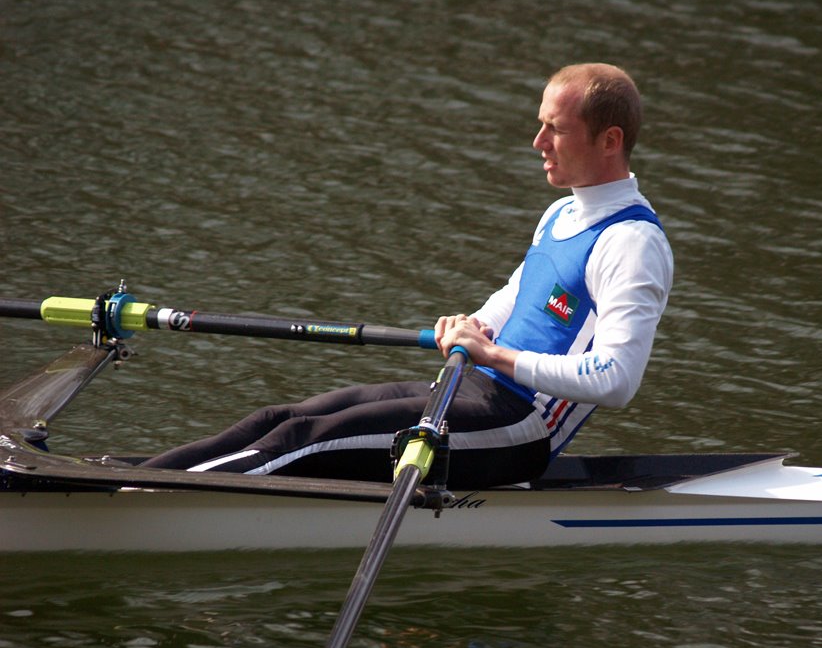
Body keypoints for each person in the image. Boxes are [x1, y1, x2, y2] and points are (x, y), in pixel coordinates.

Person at [143, 63, 673, 489]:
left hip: (518, 427)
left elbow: (615, 380)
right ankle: (120, 481)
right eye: (541, 124)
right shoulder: (562, 213)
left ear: (609, 141)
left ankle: (150, 506)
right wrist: (472, 326)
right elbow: (517, 295)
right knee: (277, 418)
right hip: (464, 389)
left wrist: (492, 355)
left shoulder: (632, 244)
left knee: (303, 439)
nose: (538, 141)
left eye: (555, 129)